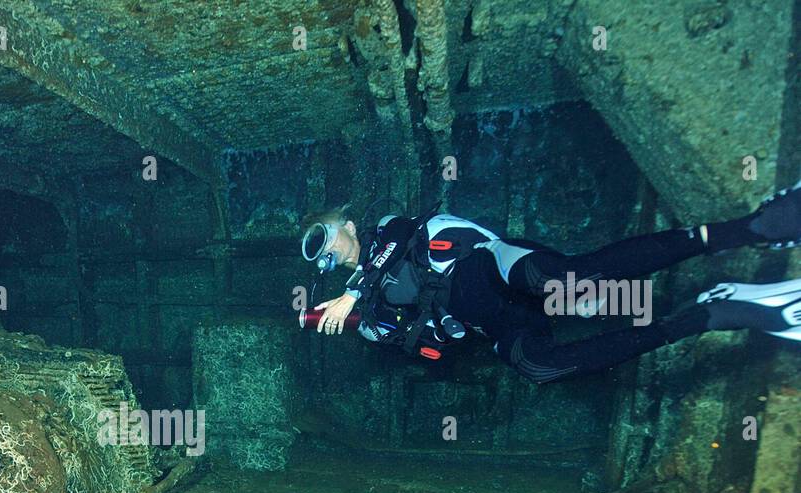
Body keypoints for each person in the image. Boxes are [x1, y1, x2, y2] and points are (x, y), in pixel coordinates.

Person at [300, 180, 801, 383]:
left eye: (323, 236)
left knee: (564, 280)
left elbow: (399, 237)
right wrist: (371, 325)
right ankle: (705, 314)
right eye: (316, 253)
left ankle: (751, 228)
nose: (326, 251)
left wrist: (351, 294)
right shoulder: (365, 307)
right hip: (498, 323)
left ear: (345, 224)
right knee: (542, 366)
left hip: (494, 269)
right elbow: (434, 352)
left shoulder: (388, 230)